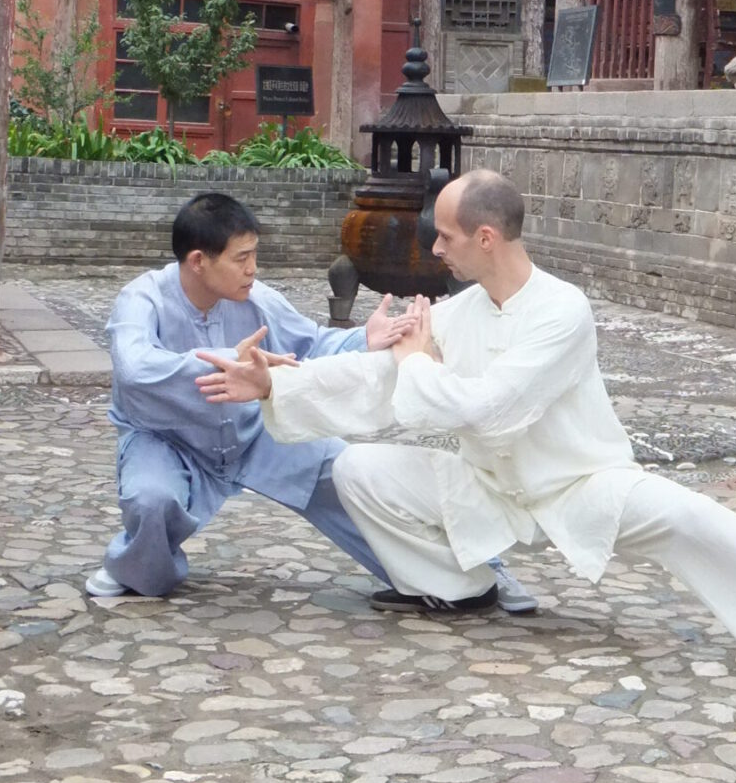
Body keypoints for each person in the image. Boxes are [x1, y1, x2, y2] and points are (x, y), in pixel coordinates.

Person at [195, 172, 736, 708]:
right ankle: (458, 588)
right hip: (489, 487)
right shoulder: (460, 311)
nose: (433, 248)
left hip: (579, 483)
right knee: (359, 470)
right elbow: (377, 379)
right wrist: (276, 387)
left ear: (485, 238)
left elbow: (493, 411)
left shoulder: (564, 312)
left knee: (696, 521)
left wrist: (415, 364)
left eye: (442, 235)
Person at [86, 190, 536, 615]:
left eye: (254, 256)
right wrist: (231, 360)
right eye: (242, 258)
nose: (252, 270)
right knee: (151, 500)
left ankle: (480, 571)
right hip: (168, 440)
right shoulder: (141, 299)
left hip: (254, 432)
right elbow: (135, 368)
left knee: (351, 477)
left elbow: (313, 344)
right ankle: (134, 570)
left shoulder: (257, 299)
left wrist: (366, 337)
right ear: (199, 262)